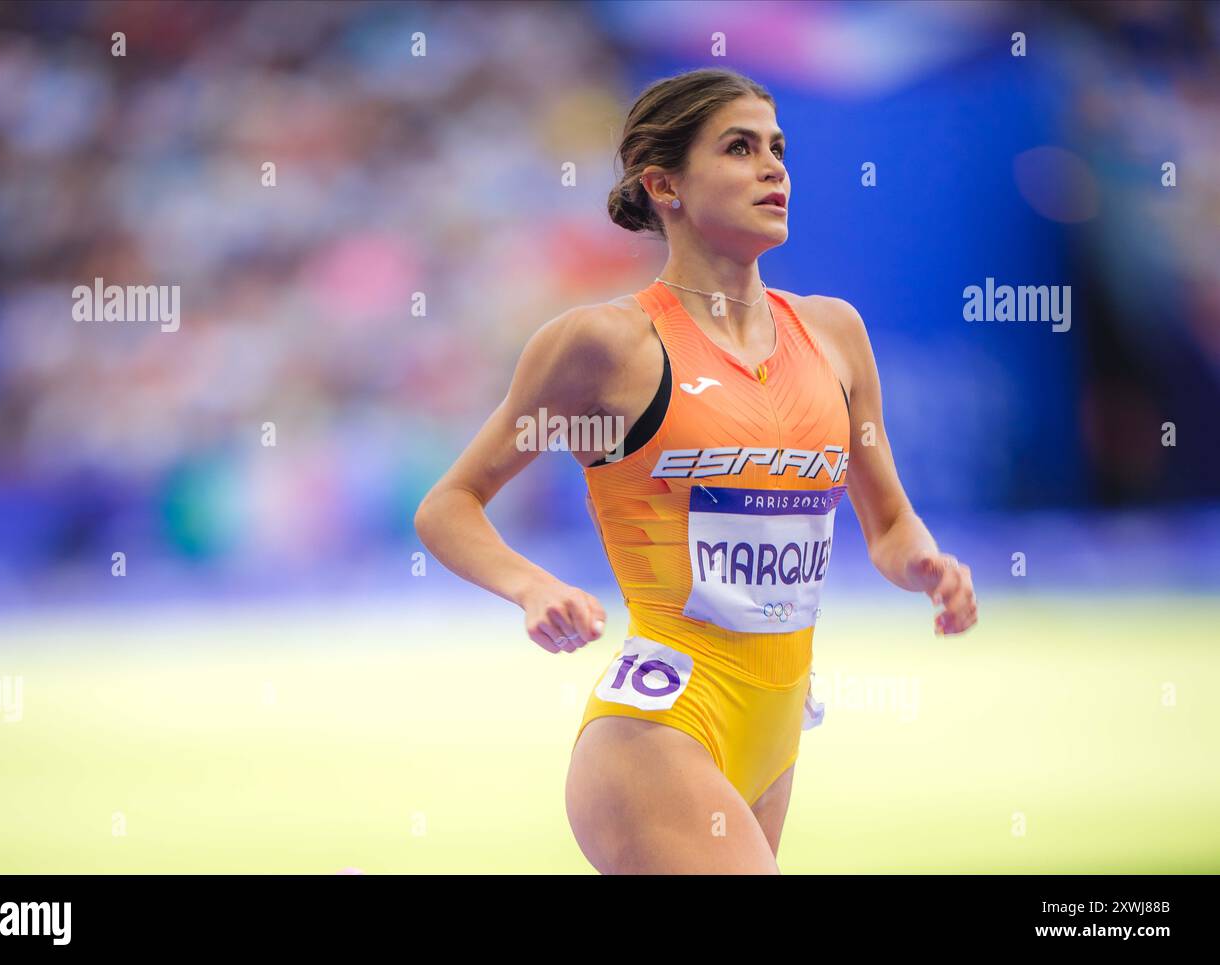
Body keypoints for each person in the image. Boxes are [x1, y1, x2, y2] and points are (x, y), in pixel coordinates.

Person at [414, 68, 977, 874]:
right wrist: (532, 585)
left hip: (777, 732)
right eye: (740, 148)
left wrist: (923, 562)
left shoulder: (835, 335)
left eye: (778, 148)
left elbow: (887, 522)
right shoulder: (606, 346)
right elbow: (449, 504)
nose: (774, 168)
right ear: (664, 185)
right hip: (657, 728)